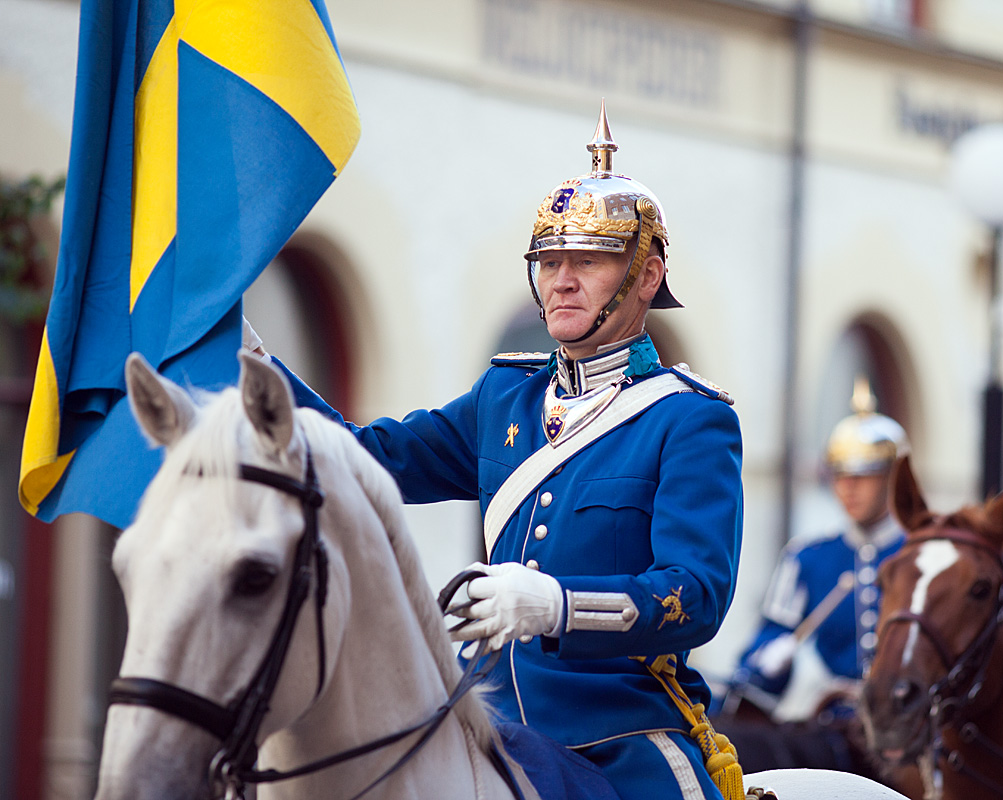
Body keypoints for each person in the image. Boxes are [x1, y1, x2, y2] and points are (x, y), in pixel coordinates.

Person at [248, 104, 743, 800]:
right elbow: (362, 459)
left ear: (648, 276)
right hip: (476, 715)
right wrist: (255, 362)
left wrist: (555, 606)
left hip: (616, 737)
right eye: (548, 260)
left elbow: (695, 596)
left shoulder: (688, 419)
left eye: (590, 261)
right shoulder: (505, 397)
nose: (560, 280)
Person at [717, 378, 908, 775]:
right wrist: (767, 660)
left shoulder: (919, 555)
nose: (848, 488)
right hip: (839, 727)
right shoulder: (807, 557)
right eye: (840, 476)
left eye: (864, 475)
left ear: (893, 478)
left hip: (910, 726)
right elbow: (769, 640)